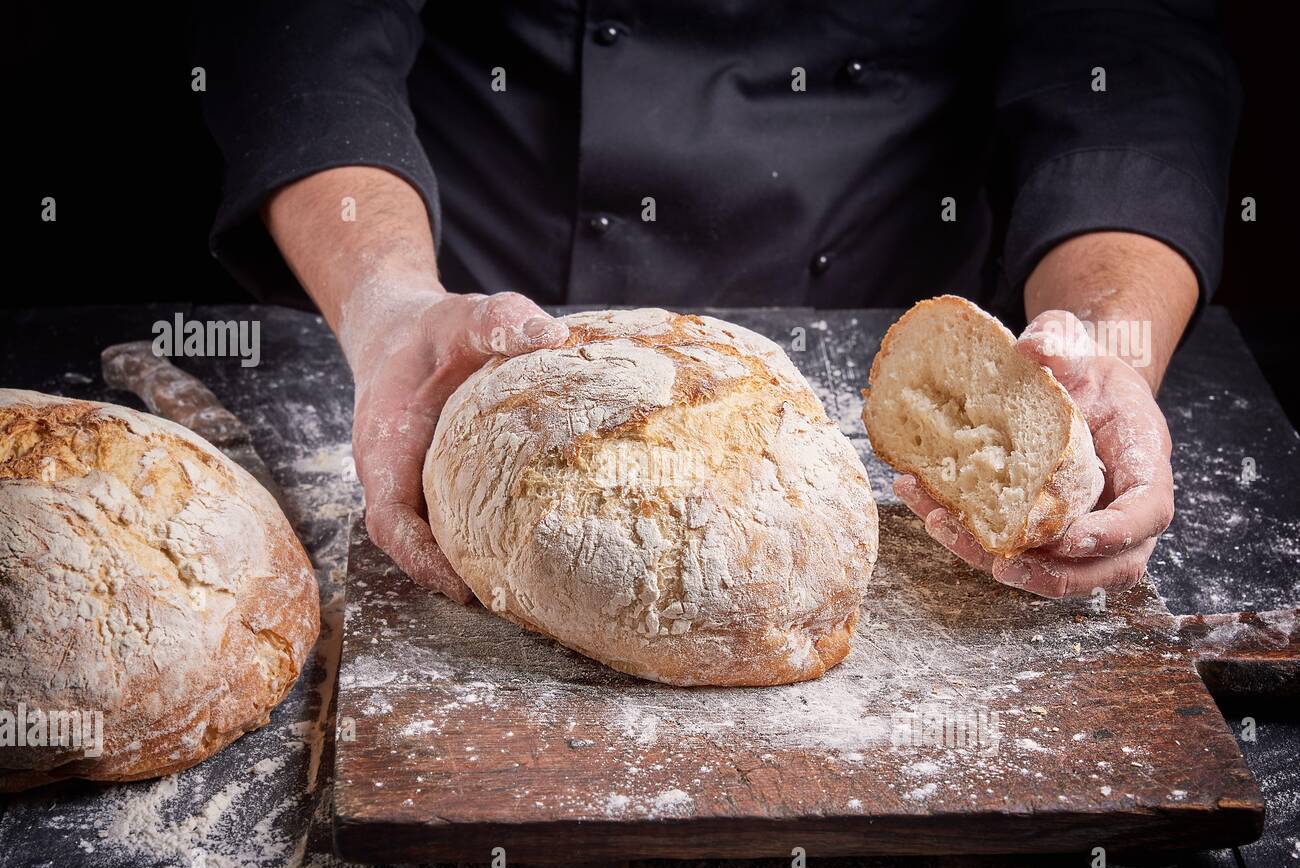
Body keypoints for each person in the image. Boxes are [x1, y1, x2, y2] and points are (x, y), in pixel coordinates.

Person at [196, 1, 1239, 600]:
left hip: (873, 259)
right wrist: (385, 304)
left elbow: (1128, 44)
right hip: (484, 310)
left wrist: (1101, 341)